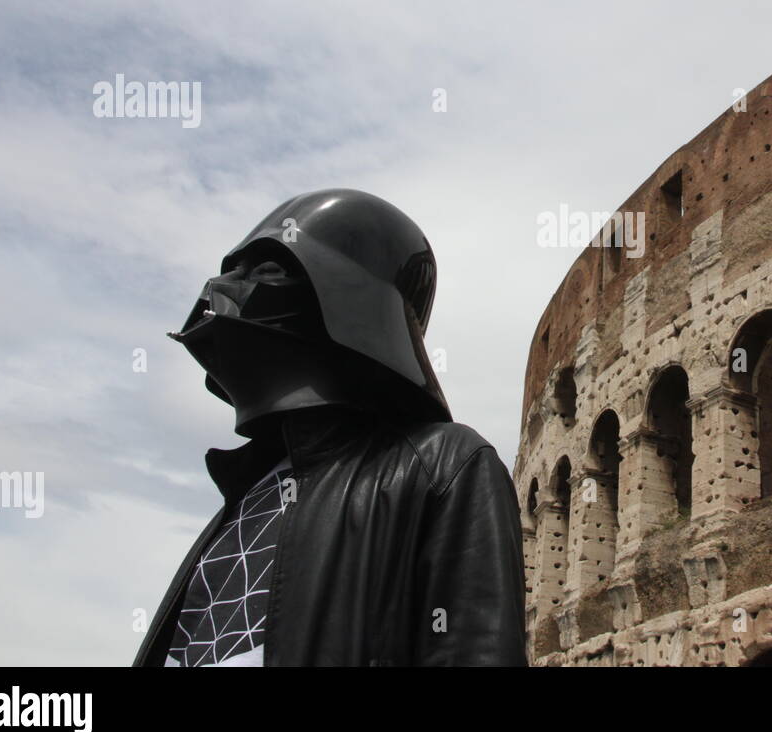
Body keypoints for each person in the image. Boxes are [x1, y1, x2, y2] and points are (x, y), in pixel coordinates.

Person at [132, 188, 527, 666]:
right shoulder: (246, 489)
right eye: (229, 270)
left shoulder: (441, 467)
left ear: (353, 302)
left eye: (269, 269)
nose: (220, 288)